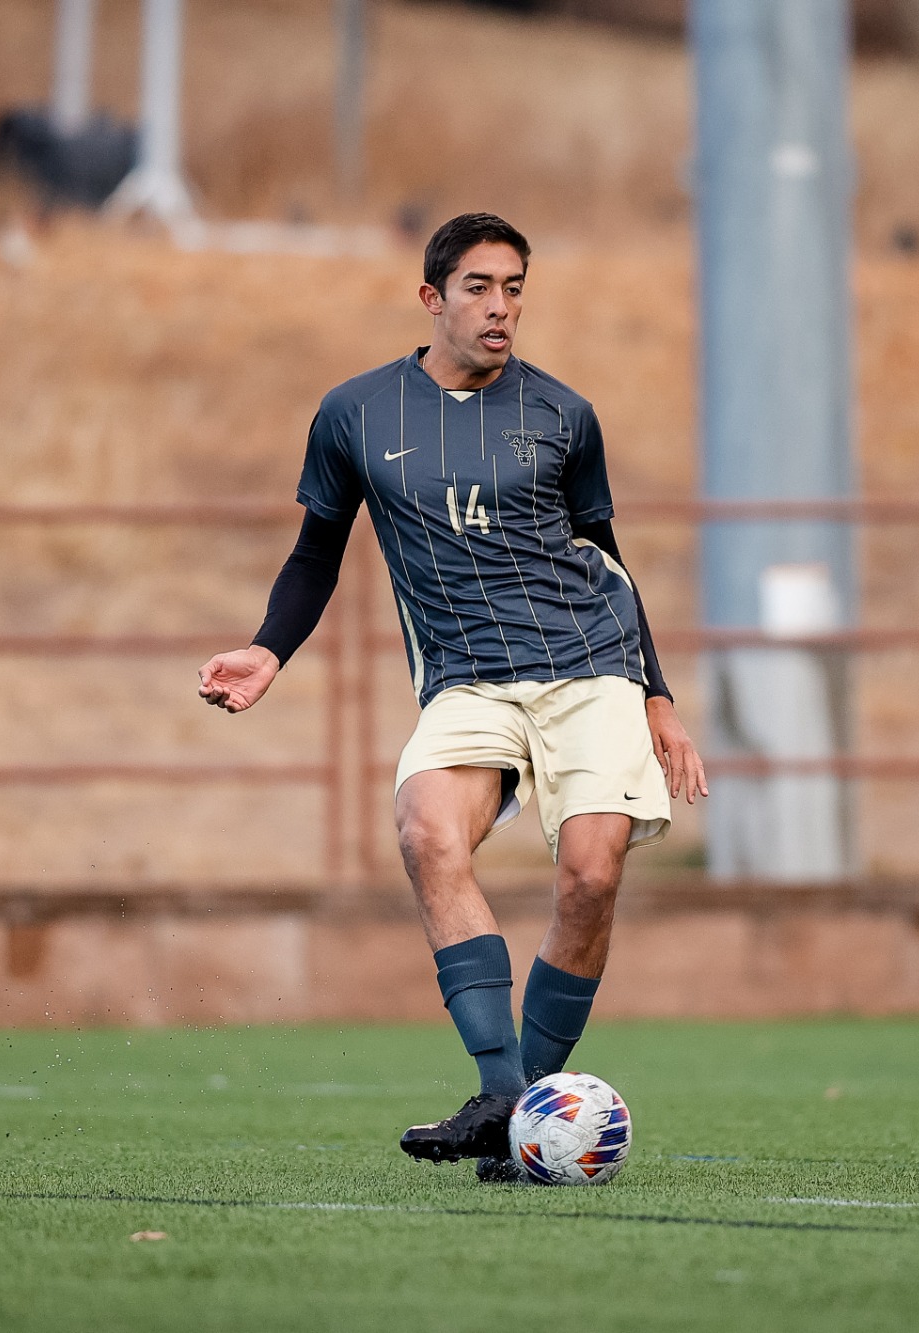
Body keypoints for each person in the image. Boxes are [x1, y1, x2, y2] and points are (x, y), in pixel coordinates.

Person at [197, 212, 706, 1180]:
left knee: (590, 876)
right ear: (432, 298)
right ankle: (506, 1097)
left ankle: (518, 1127)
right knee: (426, 829)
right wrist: (269, 650)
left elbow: (607, 561)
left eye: (514, 286)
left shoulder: (562, 414)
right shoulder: (356, 412)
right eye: (478, 286)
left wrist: (656, 695)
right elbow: (315, 554)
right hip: (467, 672)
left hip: (588, 660)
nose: (500, 305)